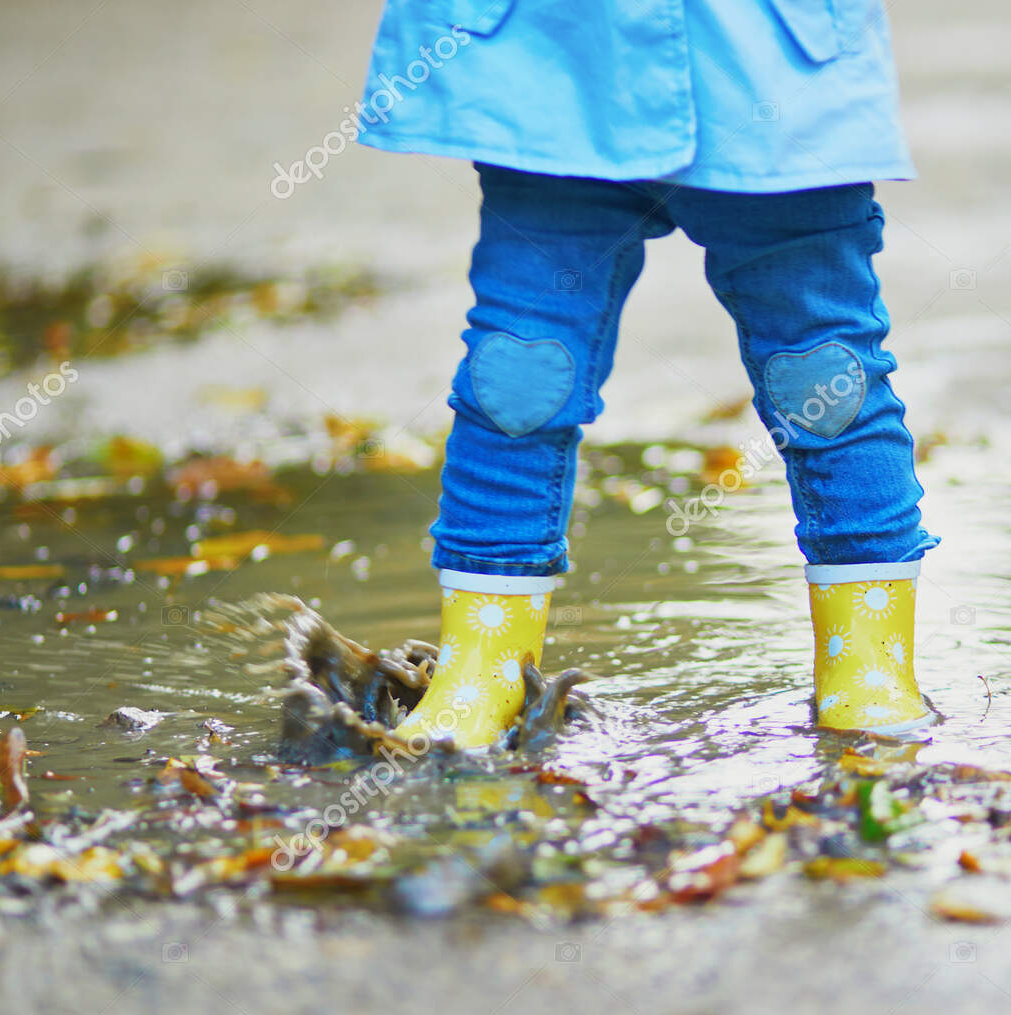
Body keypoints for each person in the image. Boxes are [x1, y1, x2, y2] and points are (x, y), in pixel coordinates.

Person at [356, 0, 938, 747]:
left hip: (773, 75)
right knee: (517, 380)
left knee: (827, 381)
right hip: (548, 73)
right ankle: (483, 665)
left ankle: (869, 663)